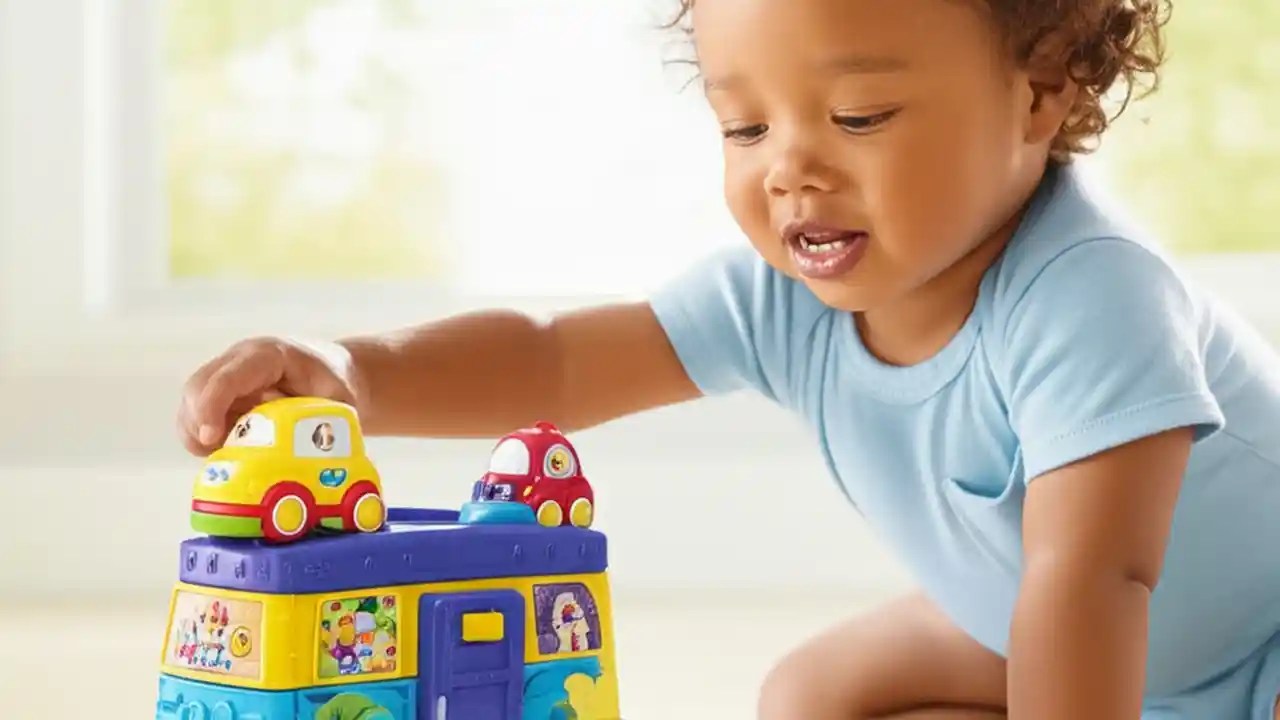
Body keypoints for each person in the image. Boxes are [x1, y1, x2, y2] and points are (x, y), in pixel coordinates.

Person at [176, 0, 1280, 717]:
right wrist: (354, 374)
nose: (790, 171)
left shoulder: (1090, 295)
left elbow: (1090, 580)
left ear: (1038, 96)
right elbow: (556, 362)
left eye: (858, 115)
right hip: (1047, 634)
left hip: (1244, 631)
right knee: (805, 698)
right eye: (743, 129)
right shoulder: (784, 296)